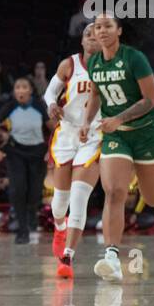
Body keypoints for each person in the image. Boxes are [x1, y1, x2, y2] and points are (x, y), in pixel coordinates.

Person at [80, 13, 154, 283]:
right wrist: (85, 121)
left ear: (119, 31)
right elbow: (94, 96)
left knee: (151, 198)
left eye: (107, 26)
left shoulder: (134, 58)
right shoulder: (93, 63)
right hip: (117, 137)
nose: (101, 31)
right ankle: (112, 257)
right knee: (114, 192)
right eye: (97, 27)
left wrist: (119, 118)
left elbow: (151, 99)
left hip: (146, 134)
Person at [42, 25, 104, 277]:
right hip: (67, 133)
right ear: (82, 40)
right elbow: (49, 92)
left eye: (97, 34)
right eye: (88, 34)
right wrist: (52, 105)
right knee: (59, 203)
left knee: (79, 197)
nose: (92, 37)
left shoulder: (111, 66)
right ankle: (59, 225)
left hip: (93, 135)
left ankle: (67, 257)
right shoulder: (69, 65)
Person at [0, 77, 52, 245]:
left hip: (37, 153)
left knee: (34, 193)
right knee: (17, 190)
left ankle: (32, 210)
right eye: (17, 87)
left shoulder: (39, 106)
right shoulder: (9, 107)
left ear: (30, 90)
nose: (20, 91)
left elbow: (55, 129)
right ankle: (22, 230)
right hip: (15, 152)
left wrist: (51, 151)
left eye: (24, 87)